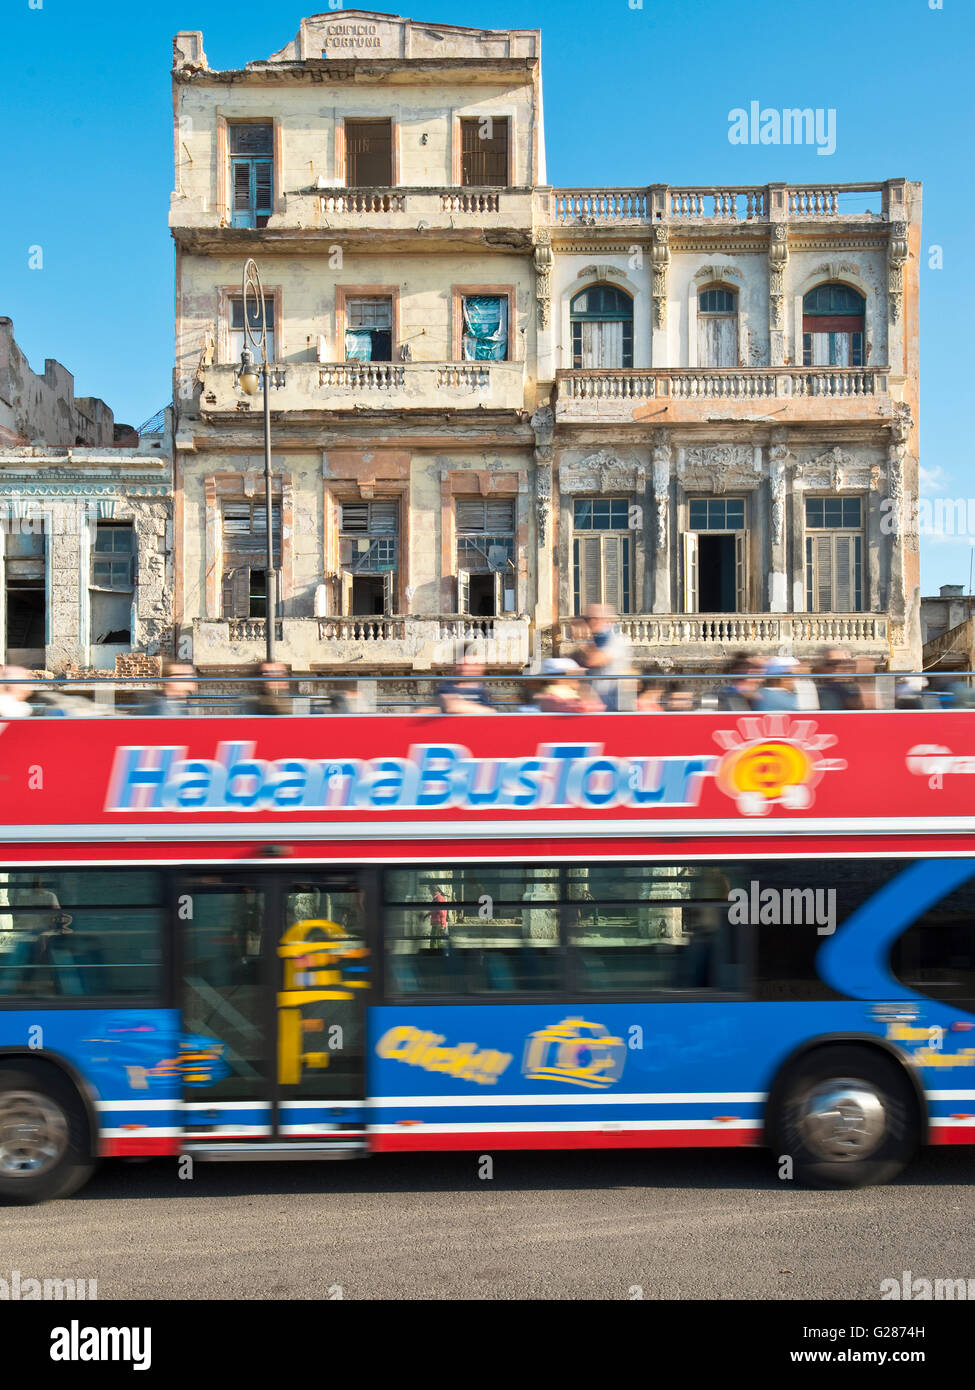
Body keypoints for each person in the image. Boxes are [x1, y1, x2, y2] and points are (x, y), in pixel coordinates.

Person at [578, 604, 633, 711]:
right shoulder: (594, 640)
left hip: (613, 702)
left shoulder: (617, 640)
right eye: (586, 619)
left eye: (592, 618)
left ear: (605, 619)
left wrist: (582, 636)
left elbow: (593, 660)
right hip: (595, 702)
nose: (589, 622)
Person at [532, 658, 605, 713]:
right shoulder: (550, 694)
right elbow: (580, 708)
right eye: (572, 674)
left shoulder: (570, 692)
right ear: (557, 676)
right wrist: (584, 691)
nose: (576, 678)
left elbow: (598, 708)